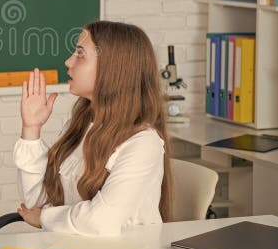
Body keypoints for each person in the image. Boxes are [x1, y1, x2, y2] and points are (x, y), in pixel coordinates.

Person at [14, 20, 171, 236]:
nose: (68, 62)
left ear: (114, 68)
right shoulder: (81, 125)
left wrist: (44, 218)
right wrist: (31, 129)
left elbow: (100, 222)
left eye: (80, 54)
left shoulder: (143, 144)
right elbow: (36, 200)